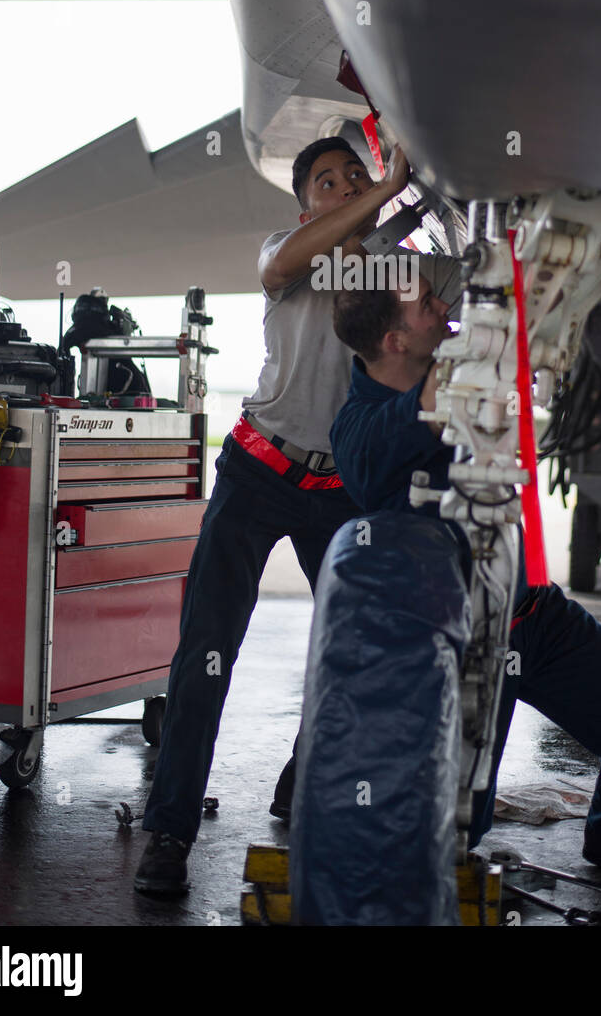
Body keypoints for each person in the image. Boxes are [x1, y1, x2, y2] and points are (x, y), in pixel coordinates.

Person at [135, 136, 457, 896]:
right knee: (206, 655)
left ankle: (299, 782)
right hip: (255, 471)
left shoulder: (390, 265)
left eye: (352, 172)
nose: (343, 186)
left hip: (336, 486)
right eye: (327, 181)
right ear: (303, 203)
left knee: (349, 651)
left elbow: (456, 293)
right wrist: (379, 190)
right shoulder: (287, 252)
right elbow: (285, 266)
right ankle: (168, 831)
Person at [328, 276, 601, 882]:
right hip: (458, 644)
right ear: (395, 341)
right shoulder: (360, 429)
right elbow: (427, 401)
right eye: (427, 305)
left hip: (533, 616)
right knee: (455, 825)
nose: (442, 307)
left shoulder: (447, 380)